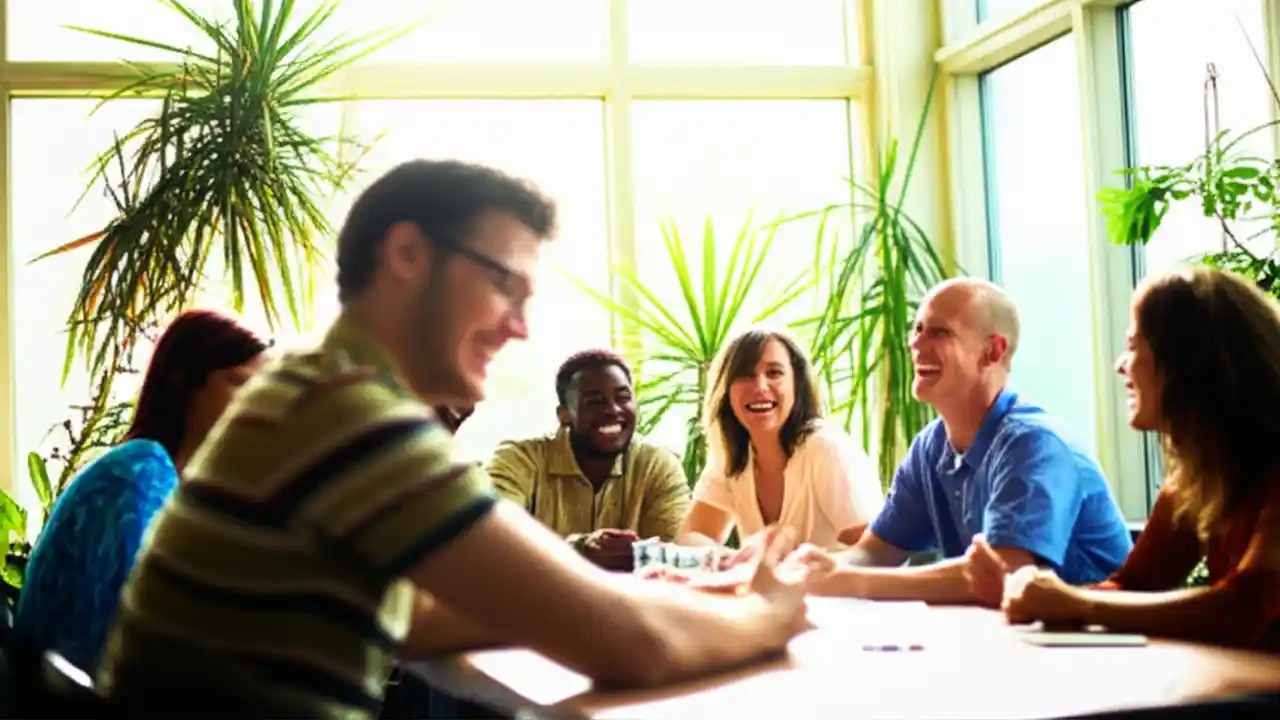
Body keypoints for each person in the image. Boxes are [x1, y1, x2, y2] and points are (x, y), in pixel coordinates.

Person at [97, 159, 811, 719]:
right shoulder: (349, 414)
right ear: (407, 254)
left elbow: (421, 620)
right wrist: (766, 615)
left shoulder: (308, 391)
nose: (521, 325)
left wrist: (665, 598)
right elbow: (633, 646)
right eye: (506, 283)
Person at [788, 278, 1132, 604]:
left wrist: (846, 581)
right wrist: (796, 571)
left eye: (938, 333)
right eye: (917, 329)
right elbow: (873, 553)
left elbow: (1001, 575)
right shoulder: (930, 447)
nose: (915, 344)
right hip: (1020, 639)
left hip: (1102, 646)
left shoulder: (1032, 443)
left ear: (993, 351)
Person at [994, 267, 1280, 650]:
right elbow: (1136, 588)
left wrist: (1077, 603)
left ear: (1186, 361)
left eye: (1133, 344)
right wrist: (1034, 600)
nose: (1121, 364)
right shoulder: (1199, 475)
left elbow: (1245, 607)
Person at [14, 310, 267, 673]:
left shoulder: (167, 479)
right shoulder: (139, 474)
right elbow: (135, 636)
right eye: (239, 383)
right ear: (183, 384)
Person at [677, 327, 884, 553]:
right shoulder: (732, 456)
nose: (760, 387)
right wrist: (737, 561)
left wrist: (791, 570)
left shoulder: (827, 449)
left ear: (797, 383)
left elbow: (876, 554)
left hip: (837, 589)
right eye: (745, 375)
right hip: (767, 589)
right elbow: (690, 536)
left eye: (774, 373)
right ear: (726, 390)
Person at [487, 349, 689, 571]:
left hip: (631, 601)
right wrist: (579, 550)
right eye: (594, 401)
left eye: (623, 398)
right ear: (564, 414)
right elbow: (491, 539)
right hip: (533, 600)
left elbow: (676, 554)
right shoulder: (519, 460)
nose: (613, 410)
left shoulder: (657, 465)